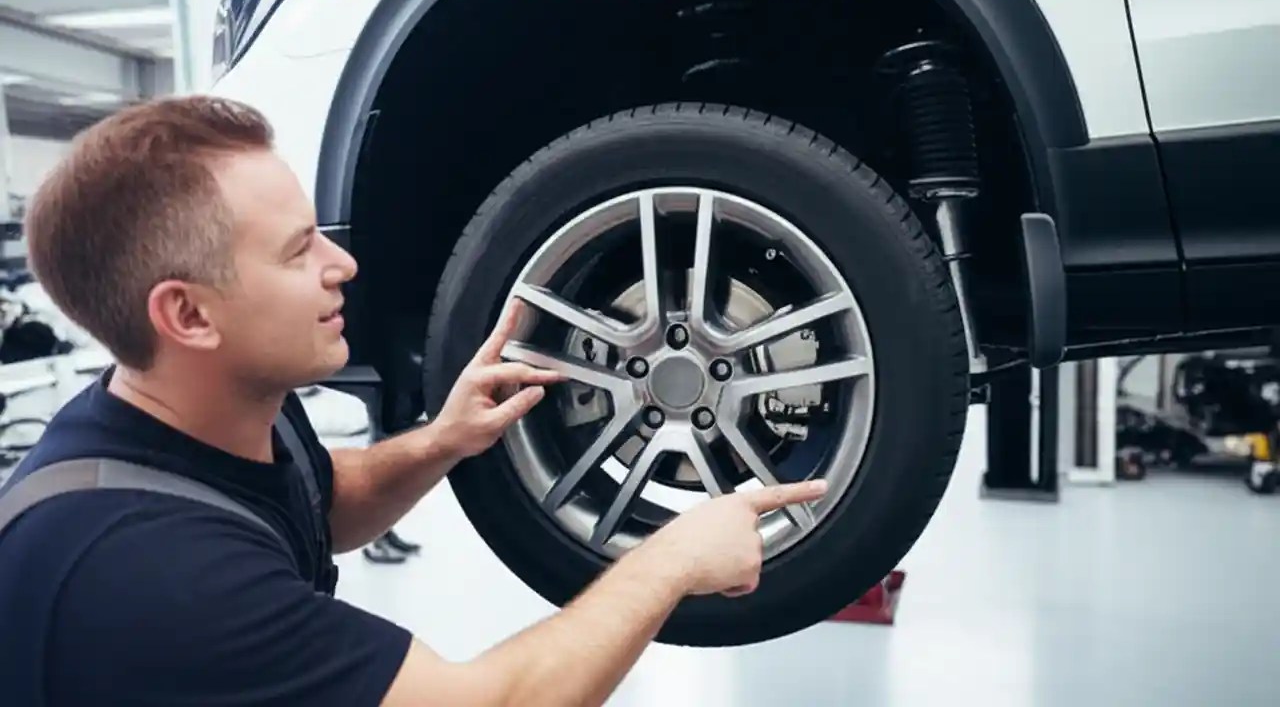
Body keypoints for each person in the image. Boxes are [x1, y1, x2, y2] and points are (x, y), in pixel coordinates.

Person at [0, 96, 828, 706]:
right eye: (298, 253)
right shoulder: (150, 577)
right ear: (187, 315)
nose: (342, 265)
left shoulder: (217, 409)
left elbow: (318, 505)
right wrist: (675, 556)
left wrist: (443, 439)